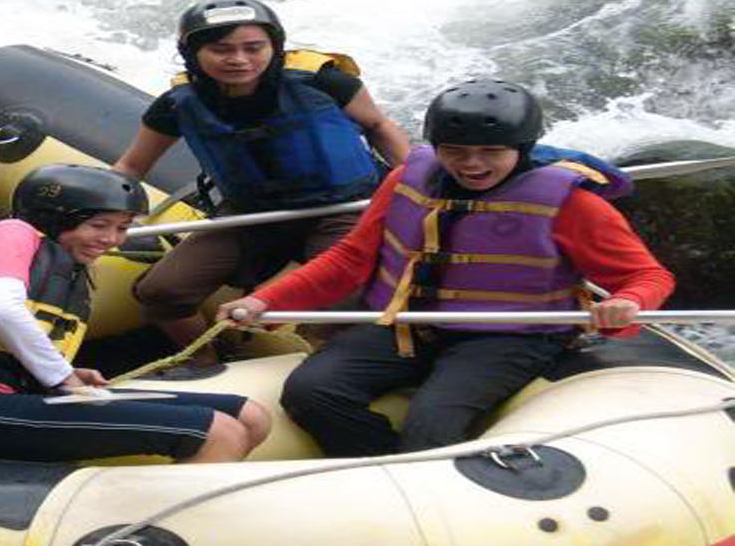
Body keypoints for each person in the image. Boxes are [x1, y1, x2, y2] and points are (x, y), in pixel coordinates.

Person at [215, 79, 675, 457]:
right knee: (312, 392)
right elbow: (350, 258)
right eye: (455, 150)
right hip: (406, 324)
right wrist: (267, 300)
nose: (471, 164)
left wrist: (627, 302)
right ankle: (383, 470)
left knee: (432, 427)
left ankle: (426, 486)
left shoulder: (573, 205)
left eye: (491, 152)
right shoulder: (408, 179)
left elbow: (649, 277)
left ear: (522, 146)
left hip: (508, 338)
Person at [0, 163, 271, 463]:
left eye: (122, 228)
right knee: (217, 431)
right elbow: (0, 309)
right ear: (54, 220)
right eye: (99, 225)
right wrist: (62, 375)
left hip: (8, 394)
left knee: (250, 415)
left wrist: (64, 373)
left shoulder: (65, 264)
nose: (112, 240)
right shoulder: (12, 233)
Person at [113, 0, 409, 370]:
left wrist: (418, 184)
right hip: (252, 214)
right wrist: (107, 212)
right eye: (221, 49)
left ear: (275, 47)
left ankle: (331, 369)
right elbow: (131, 165)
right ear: (192, 53)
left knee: (343, 294)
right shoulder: (176, 105)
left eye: (253, 48)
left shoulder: (323, 80)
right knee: (162, 291)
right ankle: (203, 364)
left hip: (344, 207)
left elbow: (379, 126)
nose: (239, 59)